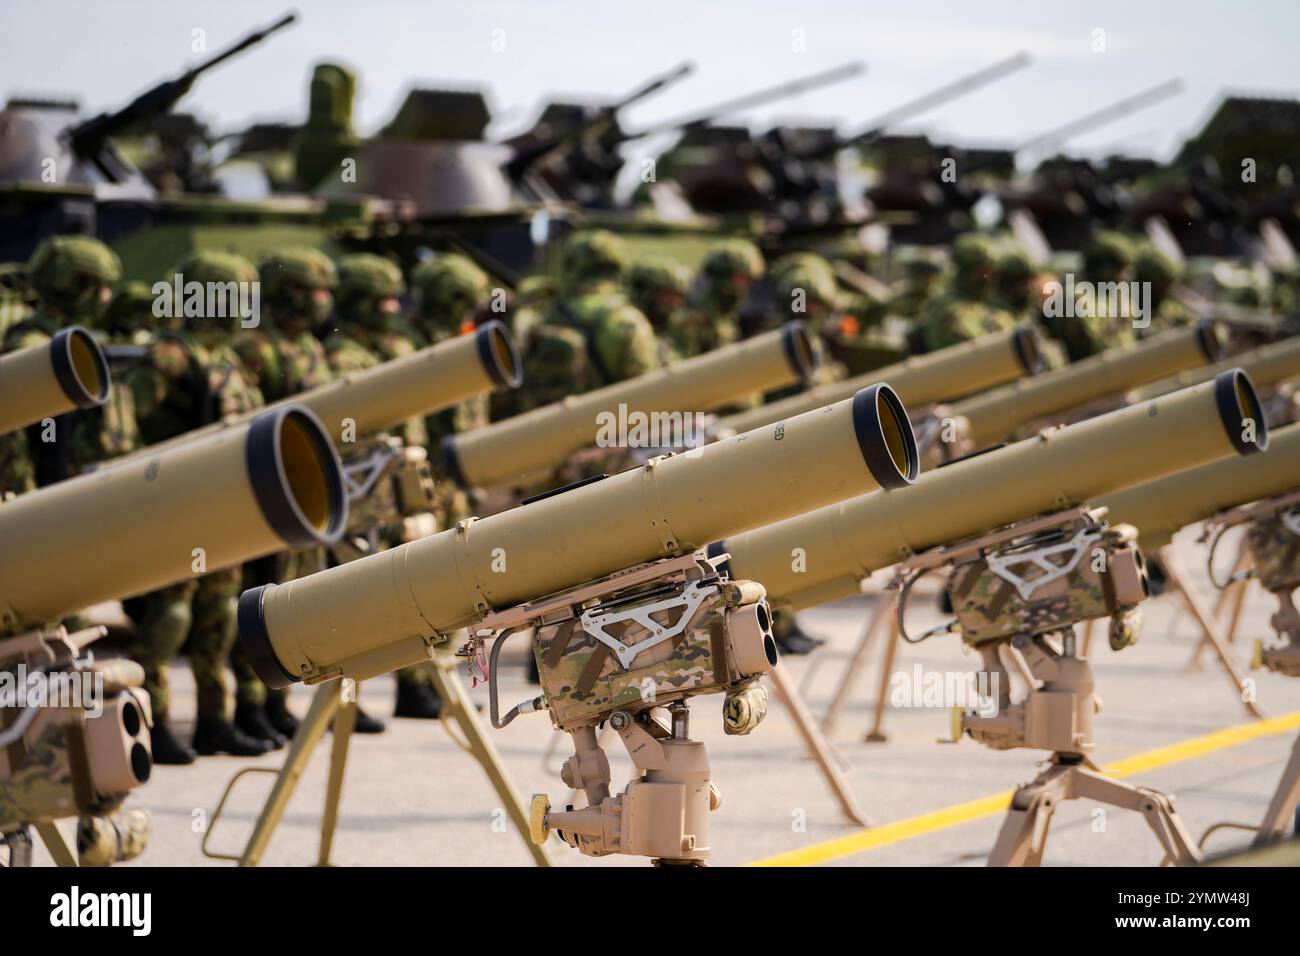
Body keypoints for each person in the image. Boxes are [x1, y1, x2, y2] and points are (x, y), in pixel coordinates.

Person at [125, 250, 270, 762]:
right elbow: (123, 431)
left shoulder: (228, 362)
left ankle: (214, 721)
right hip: (174, 512)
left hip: (224, 512)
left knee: (220, 620)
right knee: (169, 620)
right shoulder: (167, 358)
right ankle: (153, 722)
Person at [227, 248, 339, 746]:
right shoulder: (256, 350)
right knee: (258, 602)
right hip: (266, 500)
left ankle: (278, 703)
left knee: (295, 605)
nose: (322, 302)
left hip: (306, 498)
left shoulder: (312, 349)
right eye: (314, 292)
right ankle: (247, 707)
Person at [920, 234, 1017, 351]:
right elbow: (987, 349)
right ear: (971, 275)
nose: (992, 279)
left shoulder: (975, 301)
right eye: (985, 273)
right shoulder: (951, 307)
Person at [669, 239, 764, 357]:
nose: (746, 286)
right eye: (740, 279)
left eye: (749, 280)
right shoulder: (693, 320)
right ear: (722, 278)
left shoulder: (725, 316)